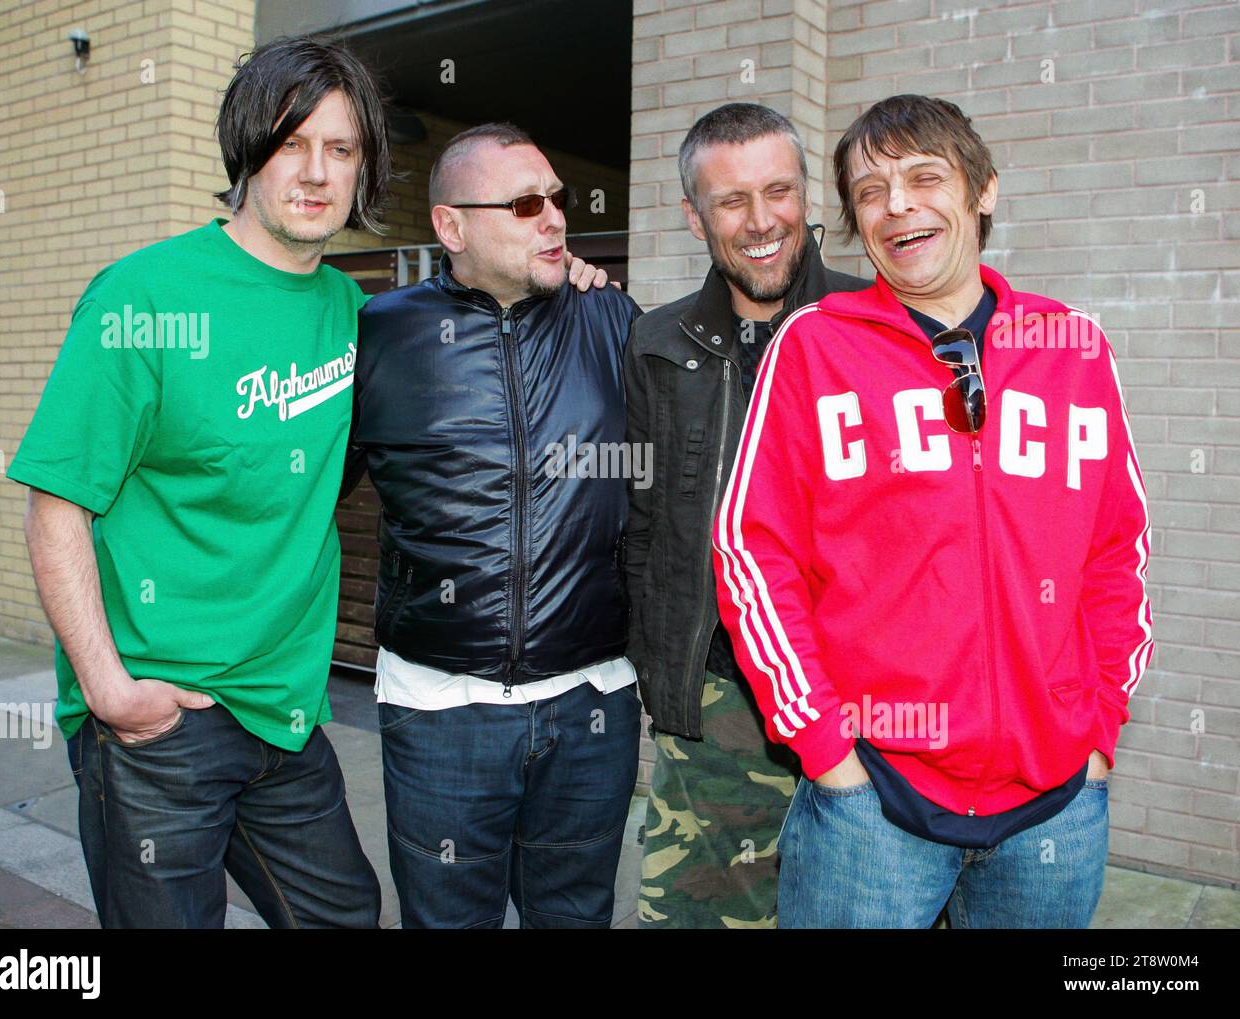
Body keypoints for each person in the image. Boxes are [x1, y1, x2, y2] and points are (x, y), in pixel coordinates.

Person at [713, 94, 1153, 928]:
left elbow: (1115, 553)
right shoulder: (813, 346)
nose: (898, 205)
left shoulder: (1075, 350)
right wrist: (828, 749)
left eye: (924, 177)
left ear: (983, 189)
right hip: (872, 803)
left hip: (1056, 805)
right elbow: (751, 552)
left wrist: (1097, 734)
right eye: (871, 191)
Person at [7, 37, 391, 928]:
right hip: (157, 720)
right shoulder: (142, 299)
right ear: (245, 149)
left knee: (344, 916)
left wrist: (564, 279)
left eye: (341, 149)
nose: (315, 172)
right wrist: (108, 689)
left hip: (285, 714)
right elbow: (56, 501)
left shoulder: (358, 317)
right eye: (290, 144)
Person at [342, 123, 643, 929]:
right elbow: (302, 500)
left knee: (575, 918)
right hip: (441, 710)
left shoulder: (612, 321)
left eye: (557, 199)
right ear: (452, 227)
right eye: (524, 203)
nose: (554, 219)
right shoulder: (382, 333)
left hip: (592, 701)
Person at [624, 103, 866, 929]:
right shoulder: (656, 343)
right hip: (719, 709)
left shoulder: (875, 325)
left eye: (780, 191)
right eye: (731, 201)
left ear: (808, 196)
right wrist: (663, 676)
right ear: (695, 215)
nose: (761, 221)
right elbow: (641, 522)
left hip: (868, 709)